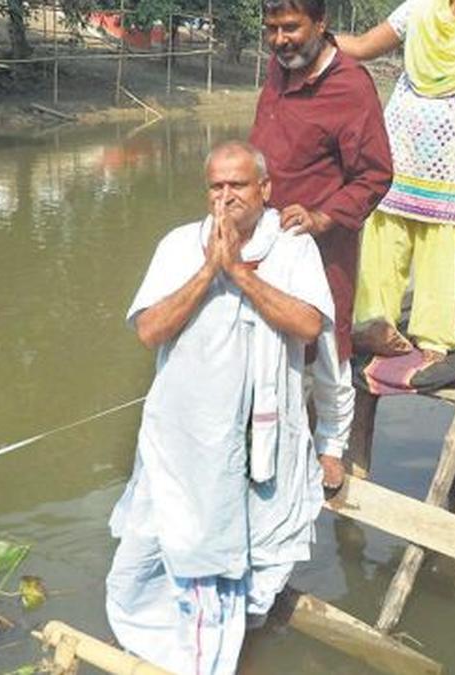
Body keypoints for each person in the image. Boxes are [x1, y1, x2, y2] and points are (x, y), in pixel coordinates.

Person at [105, 141, 341, 673]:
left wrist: (239, 272)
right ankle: (179, 646)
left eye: (238, 185)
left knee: (255, 551)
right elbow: (150, 330)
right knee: (165, 539)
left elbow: (307, 326)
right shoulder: (178, 245)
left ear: (265, 189)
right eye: (217, 186)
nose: (227, 196)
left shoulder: (293, 248)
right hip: (186, 433)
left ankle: (232, 637)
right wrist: (210, 269)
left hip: (263, 435)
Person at [250, 0, 393, 491]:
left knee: (329, 345)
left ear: (321, 24)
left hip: (321, 241)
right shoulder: (278, 67)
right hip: (266, 235)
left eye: (290, 27)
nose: (279, 39)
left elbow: (375, 174)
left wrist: (321, 216)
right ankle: (271, 437)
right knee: (267, 338)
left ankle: (331, 446)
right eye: (271, 28)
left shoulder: (350, 86)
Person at [338, 0, 455, 364]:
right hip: (403, 136)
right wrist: (313, 40)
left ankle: (433, 336)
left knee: (440, 236)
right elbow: (362, 47)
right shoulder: (420, 8)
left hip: (454, 143)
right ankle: (373, 323)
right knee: (385, 230)